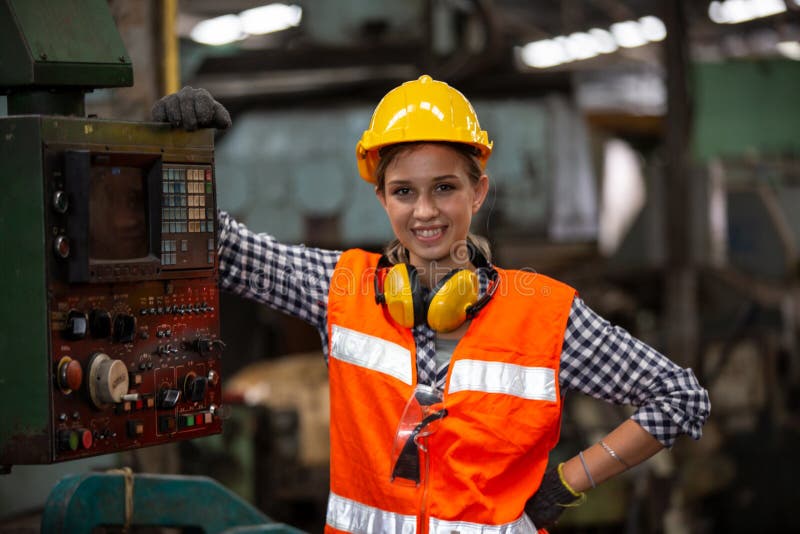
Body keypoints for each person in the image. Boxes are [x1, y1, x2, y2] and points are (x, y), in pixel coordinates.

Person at [153, 78, 710, 533]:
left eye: (445, 188)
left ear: (479, 191)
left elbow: (679, 398)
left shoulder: (544, 313)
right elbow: (218, 247)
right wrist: (173, 158)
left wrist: (565, 484)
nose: (425, 212)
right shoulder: (341, 288)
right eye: (404, 191)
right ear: (380, 196)